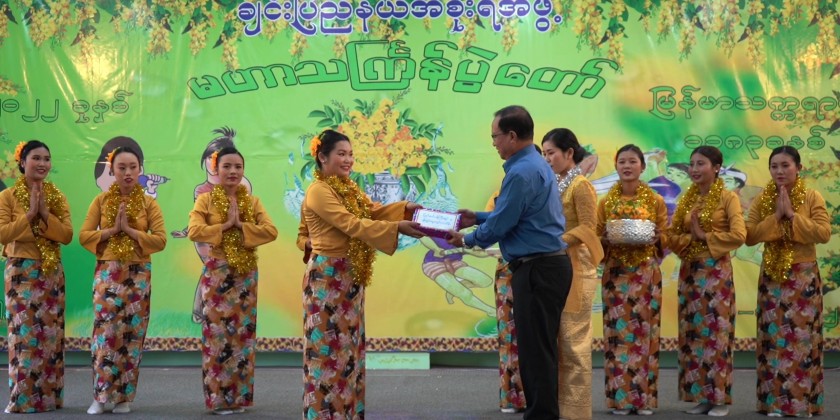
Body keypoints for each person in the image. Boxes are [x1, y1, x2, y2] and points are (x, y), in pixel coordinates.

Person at [447, 105, 571, 420]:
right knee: (538, 348)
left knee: (535, 351)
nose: (493, 143)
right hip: (547, 266)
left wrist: (466, 239)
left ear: (512, 136)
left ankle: (542, 415)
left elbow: (503, 224)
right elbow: (518, 214)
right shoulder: (535, 164)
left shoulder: (521, 172)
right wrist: (478, 217)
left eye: (495, 136)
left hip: (538, 269)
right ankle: (542, 412)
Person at [298, 129, 424, 419]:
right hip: (327, 276)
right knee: (326, 351)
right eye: (341, 154)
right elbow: (351, 224)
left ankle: (348, 412)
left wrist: (405, 209)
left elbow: (373, 212)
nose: (348, 160)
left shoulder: (349, 187)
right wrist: (397, 228)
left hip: (349, 276)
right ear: (322, 157)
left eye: (350, 154)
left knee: (348, 350)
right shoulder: (319, 191)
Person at [188, 146, 277, 415]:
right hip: (217, 274)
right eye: (226, 166)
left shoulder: (252, 201)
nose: (233, 171)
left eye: (238, 166)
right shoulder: (205, 200)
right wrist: (224, 226)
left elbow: (270, 231)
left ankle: (238, 398)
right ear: (215, 169)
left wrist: (241, 226)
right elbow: (194, 231)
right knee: (218, 337)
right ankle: (218, 399)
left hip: (245, 276)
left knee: (242, 338)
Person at [79, 146, 167, 415]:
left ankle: (124, 398)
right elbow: (84, 236)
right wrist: (112, 231)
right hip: (108, 273)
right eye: (122, 167)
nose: (128, 172)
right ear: (112, 170)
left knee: (132, 335)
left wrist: (131, 231)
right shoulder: (101, 201)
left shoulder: (149, 203)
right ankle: (100, 396)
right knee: (105, 335)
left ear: (140, 169)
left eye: (133, 167)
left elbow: (160, 240)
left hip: (138, 275)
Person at [745, 146, 830, 418]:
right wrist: (776, 217)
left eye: (785, 165)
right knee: (773, 337)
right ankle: (773, 402)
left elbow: (824, 233)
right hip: (771, 276)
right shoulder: (762, 199)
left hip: (802, 276)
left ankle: (801, 403)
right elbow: (750, 236)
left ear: (798, 168)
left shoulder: (812, 196)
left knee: (799, 339)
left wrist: (793, 215)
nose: (779, 171)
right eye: (774, 166)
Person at [665, 146, 746, 417]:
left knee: (716, 334)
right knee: (694, 334)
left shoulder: (728, 197)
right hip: (690, 272)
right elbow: (672, 235)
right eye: (692, 164)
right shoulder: (687, 198)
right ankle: (702, 396)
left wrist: (705, 237)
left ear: (716, 168)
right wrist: (691, 238)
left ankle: (719, 399)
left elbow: (739, 235)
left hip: (716, 273)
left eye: (701, 164)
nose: (694, 169)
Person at [0, 140, 72, 413]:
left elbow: (66, 235)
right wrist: (30, 215)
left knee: (50, 337)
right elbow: (3, 234)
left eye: (46, 158)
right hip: (21, 271)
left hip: (51, 273)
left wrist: (44, 214)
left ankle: (50, 399)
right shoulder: (7, 197)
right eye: (36, 158)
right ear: (22, 162)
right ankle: (23, 400)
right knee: (24, 336)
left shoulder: (56, 196)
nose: (42, 163)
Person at [596, 144, 668, 416]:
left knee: (644, 334)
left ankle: (644, 399)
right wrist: (605, 239)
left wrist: (658, 237)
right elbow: (596, 237)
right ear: (616, 166)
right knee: (617, 335)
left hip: (645, 274)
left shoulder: (655, 200)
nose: (627, 166)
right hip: (615, 274)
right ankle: (620, 399)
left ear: (642, 166)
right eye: (622, 162)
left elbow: (666, 236)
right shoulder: (605, 202)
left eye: (632, 161)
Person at [542, 128, 603, 420]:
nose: (547, 159)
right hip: (555, 265)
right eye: (544, 153)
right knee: (555, 341)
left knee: (574, 340)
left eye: (551, 153)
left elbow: (589, 227)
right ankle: (558, 409)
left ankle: (577, 414)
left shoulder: (581, 185)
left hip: (578, 267)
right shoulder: (552, 183)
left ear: (569, 153)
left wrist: (557, 242)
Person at [485, 190, 526, 413]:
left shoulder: (547, 192)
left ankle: (538, 397)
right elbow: (490, 227)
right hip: (507, 269)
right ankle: (512, 397)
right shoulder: (500, 196)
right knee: (508, 333)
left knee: (537, 334)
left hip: (538, 266)